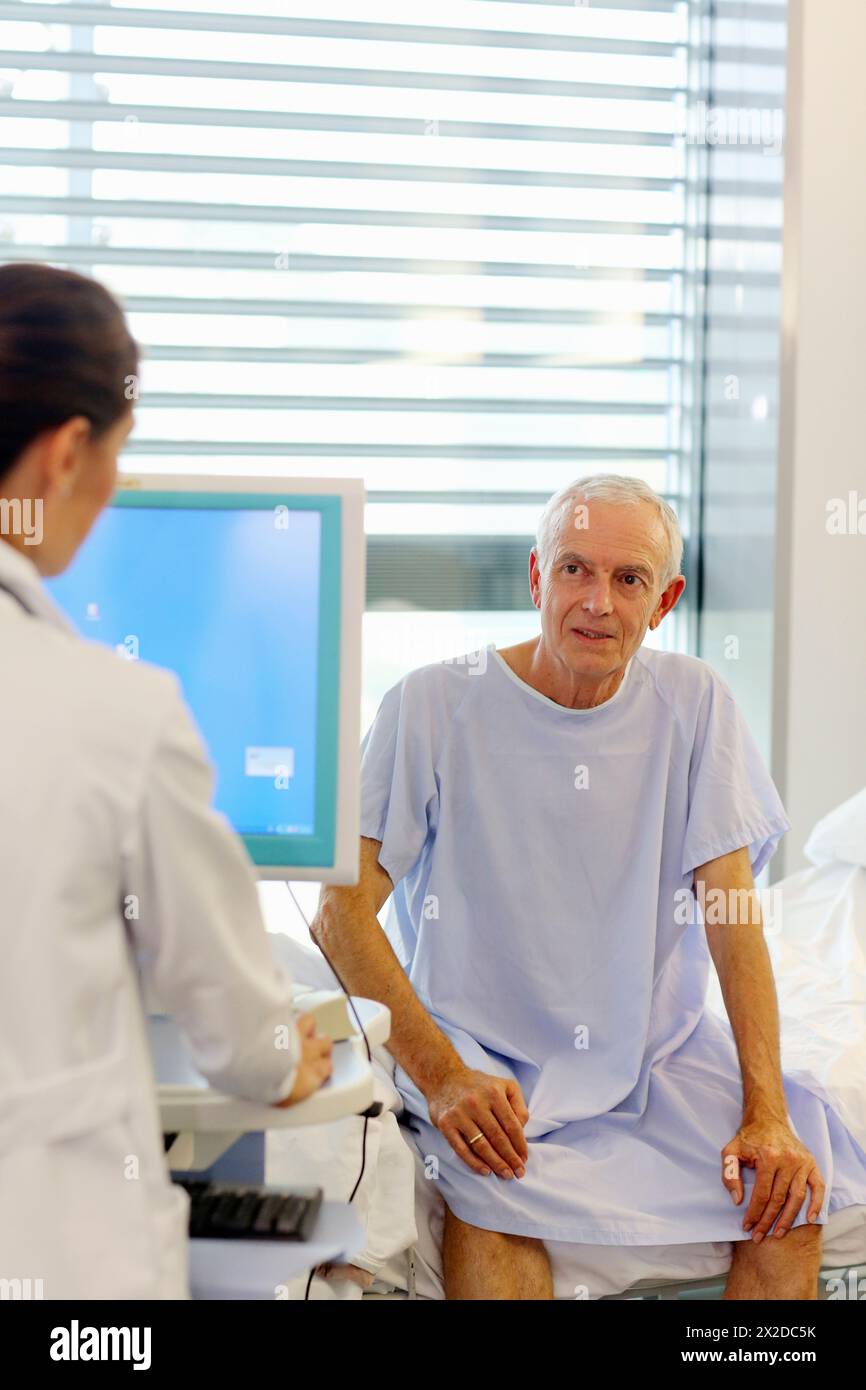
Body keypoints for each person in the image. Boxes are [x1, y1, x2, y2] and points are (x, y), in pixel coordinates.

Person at [314, 473, 866, 1299]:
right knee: (496, 1198)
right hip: (485, 1053)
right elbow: (341, 913)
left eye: (628, 578)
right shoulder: (431, 704)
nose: (597, 602)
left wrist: (765, 1108)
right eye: (574, 569)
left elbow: (731, 912)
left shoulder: (695, 704)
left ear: (665, 599)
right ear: (537, 577)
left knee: (788, 1194)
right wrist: (443, 1077)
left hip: (654, 1050)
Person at [0, 262, 332, 1299]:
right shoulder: (110, 711)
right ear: (64, 453)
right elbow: (240, 1035)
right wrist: (287, 1053)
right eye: (115, 459)